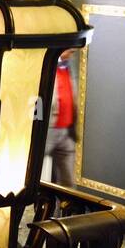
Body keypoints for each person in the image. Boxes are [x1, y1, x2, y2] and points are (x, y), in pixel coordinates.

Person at [44, 50, 79, 185]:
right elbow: (36, 99)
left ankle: (65, 206)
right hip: (47, 131)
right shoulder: (46, 64)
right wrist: (37, 124)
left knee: (68, 182)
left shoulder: (70, 65)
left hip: (67, 131)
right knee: (31, 174)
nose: (72, 51)